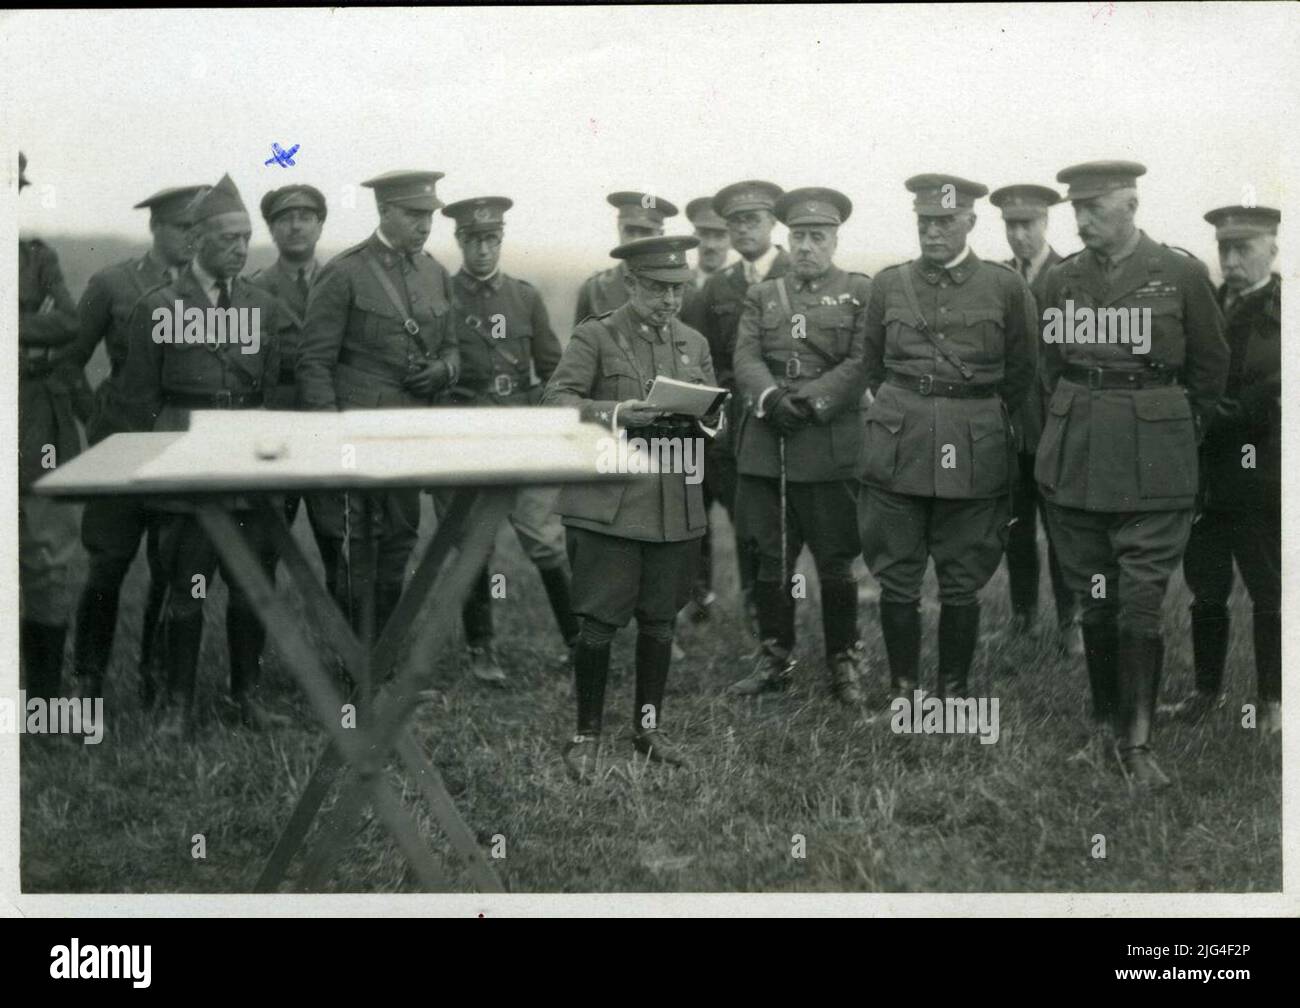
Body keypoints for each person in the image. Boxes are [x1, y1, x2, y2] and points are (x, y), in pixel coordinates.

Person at [1035, 160, 1228, 788]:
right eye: (1076, 210)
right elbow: (1045, 367)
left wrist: (1171, 430)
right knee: (1095, 594)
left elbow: (1209, 370)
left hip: (1155, 457)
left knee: (1141, 596)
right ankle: (1103, 728)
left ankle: (1138, 745)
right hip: (1080, 456)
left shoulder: (1178, 272)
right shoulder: (1061, 280)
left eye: (1094, 208)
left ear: (1131, 205)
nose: (1082, 220)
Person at [543, 235, 720, 780]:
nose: (670, 301)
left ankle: (648, 729)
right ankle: (586, 734)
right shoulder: (596, 334)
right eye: (659, 289)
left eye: (678, 290)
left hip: (675, 504)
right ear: (631, 283)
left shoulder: (693, 343)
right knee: (598, 623)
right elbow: (557, 402)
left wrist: (710, 420)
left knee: (661, 623)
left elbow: (713, 410)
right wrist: (618, 412)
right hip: (610, 503)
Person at [118, 174, 288, 733]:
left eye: (246, 238)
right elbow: (140, 401)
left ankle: (248, 697)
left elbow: (271, 390)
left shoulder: (264, 307)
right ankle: (177, 705)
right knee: (186, 584)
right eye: (228, 239)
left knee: (251, 585)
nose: (241, 248)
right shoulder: (159, 307)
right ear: (197, 241)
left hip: (245, 459)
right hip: (186, 459)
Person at [858, 174, 1036, 704]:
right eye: (925, 223)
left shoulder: (1005, 287)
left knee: (962, 575)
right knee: (897, 572)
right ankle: (905, 691)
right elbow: (872, 366)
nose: (933, 233)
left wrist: (969, 415)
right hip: (899, 445)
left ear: (970, 223)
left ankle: (953, 692)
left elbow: (1021, 373)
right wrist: (911, 408)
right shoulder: (889, 284)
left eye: (945, 223)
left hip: (973, 445)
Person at [296, 169, 459, 640]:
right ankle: (358, 663)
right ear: (384, 211)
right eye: (413, 214)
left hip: (410, 433)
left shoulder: (435, 274)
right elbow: (314, 363)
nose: (425, 224)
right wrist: (330, 434)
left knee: (400, 541)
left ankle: (381, 655)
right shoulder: (345, 272)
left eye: (429, 215)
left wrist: (443, 371)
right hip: (357, 436)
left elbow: (453, 351)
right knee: (362, 543)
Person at [725, 187, 872, 704]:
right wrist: (768, 397)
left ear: (834, 240)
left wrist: (809, 400)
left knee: (835, 561)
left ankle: (843, 659)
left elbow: (861, 362)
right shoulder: (763, 295)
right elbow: (744, 356)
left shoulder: (858, 292)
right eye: (799, 236)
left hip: (829, 447)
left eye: (818, 236)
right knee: (772, 560)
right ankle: (774, 656)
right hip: (769, 448)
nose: (806, 246)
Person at [69, 183, 209, 706]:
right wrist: (96, 420)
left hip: (177, 447)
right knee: (108, 562)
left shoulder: (208, 292)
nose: (192, 239)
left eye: (200, 229)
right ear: (155, 228)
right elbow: (68, 362)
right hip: (121, 448)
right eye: (181, 228)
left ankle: (154, 676)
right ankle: (87, 680)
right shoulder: (113, 283)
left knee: (170, 565)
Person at [436, 195, 576, 684]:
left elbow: (554, 369)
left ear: (501, 240)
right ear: (458, 242)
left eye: (490, 240)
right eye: (472, 240)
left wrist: (539, 408)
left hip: (521, 431)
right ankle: (482, 651)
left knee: (545, 539)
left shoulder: (525, 296)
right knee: (474, 544)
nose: (481, 250)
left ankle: (579, 644)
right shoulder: (441, 297)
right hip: (465, 435)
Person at [1161, 205, 1280, 735]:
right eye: (1224, 249)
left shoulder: (1285, 310)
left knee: (1268, 590)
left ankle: (1274, 702)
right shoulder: (1206, 304)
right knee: (1205, 587)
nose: (1231, 260)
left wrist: (1194, 410)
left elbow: (1264, 401)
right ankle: (1206, 692)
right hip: (1205, 476)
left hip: (1260, 477)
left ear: (1272, 249)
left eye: (1244, 249)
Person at [987, 184, 1081, 658]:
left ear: (1046, 223)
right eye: (1011, 225)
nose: (1019, 234)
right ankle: (1023, 618)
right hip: (1010, 425)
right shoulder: (998, 277)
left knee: (1062, 528)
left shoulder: (1069, 276)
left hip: (1057, 424)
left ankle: (1072, 623)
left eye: (1028, 224)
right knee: (1016, 525)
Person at [696, 180, 789, 632]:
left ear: (773, 222)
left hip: (791, 417)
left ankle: (779, 608)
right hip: (736, 423)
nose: (743, 230)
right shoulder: (716, 288)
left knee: (786, 522)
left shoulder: (798, 273)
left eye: (752, 220)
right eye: (735, 222)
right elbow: (702, 357)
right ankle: (755, 607)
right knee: (748, 516)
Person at [17, 152, 84, 701]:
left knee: (44, 554)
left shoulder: (35, 257)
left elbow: (70, 320)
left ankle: (42, 698)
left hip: (33, 416)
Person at [248, 183, 339, 583]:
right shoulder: (254, 289)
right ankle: (254, 644)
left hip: (329, 420)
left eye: (305, 218)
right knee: (265, 541)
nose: (296, 227)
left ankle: (354, 644)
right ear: (271, 229)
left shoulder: (341, 283)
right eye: (285, 219)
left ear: (320, 226)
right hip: (276, 421)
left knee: (338, 539)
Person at [680, 194, 734, 619]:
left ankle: (757, 606)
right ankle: (698, 595)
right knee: (689, 510)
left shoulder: (740, 285)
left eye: (720, 235)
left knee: (741, 509)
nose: (711, 244)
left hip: (729, 417)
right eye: (704, 235)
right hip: (683, 416)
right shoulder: (678, 284)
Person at [572, 191, 678, 326]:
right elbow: (579, 344)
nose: (635, 240)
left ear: (661, 235)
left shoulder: (680, 292)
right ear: (619, 231)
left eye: (645, 233)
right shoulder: (595, 290)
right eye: (630, 231)